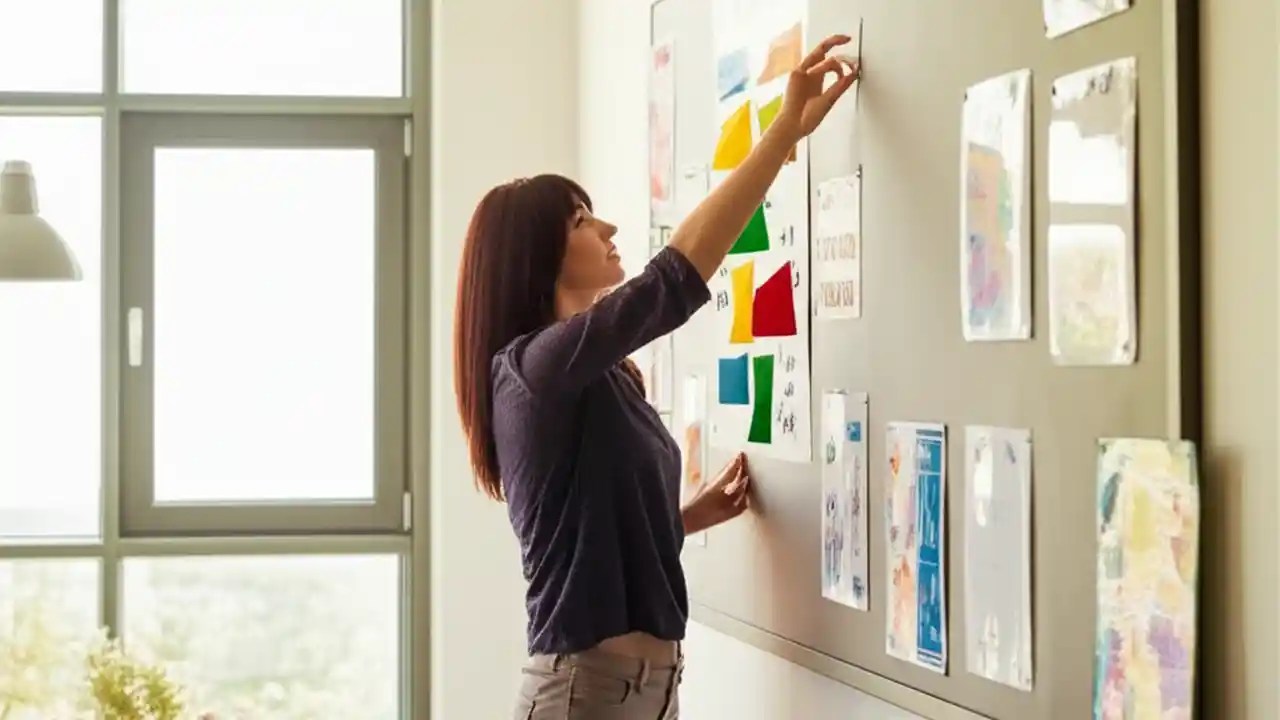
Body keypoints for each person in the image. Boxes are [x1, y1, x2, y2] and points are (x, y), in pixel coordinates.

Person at [453, 34, 860, 720]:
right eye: (583, 220)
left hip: (652, 690)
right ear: (537, 257)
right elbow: (674, 279)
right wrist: (783, 129)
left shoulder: (608, 378)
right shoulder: (535, 369)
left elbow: (593, 536)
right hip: (581, 694)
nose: (608, 226)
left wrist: (686, 517)